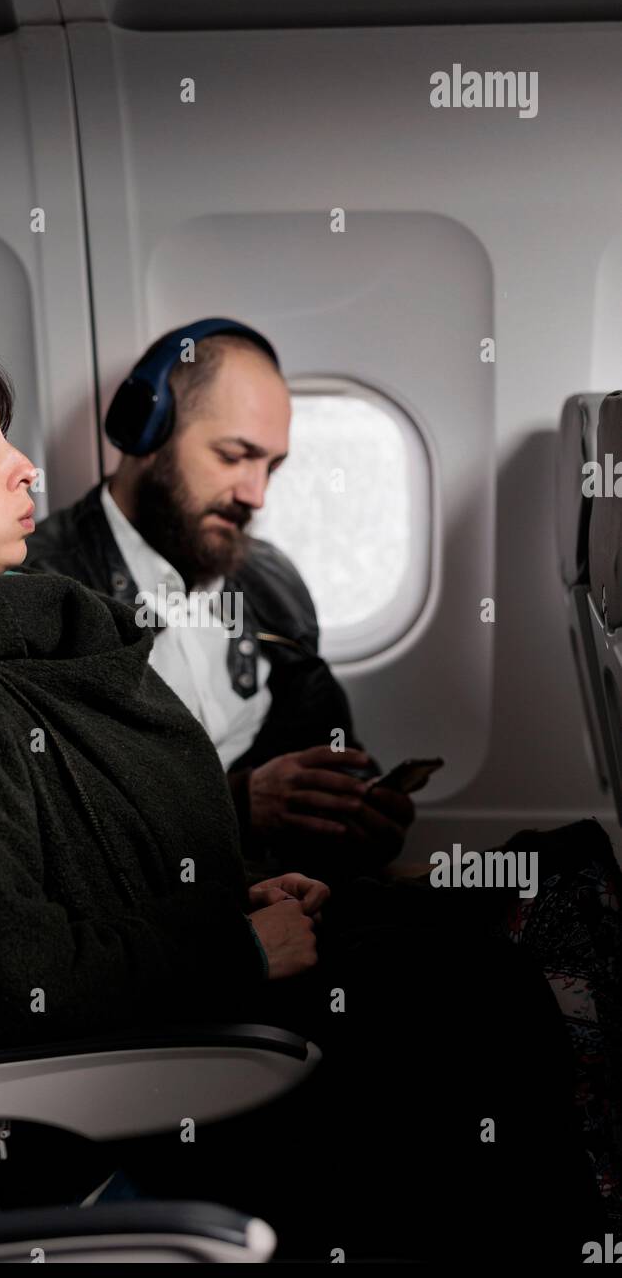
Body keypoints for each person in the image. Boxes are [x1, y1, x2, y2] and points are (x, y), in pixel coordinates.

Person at [0, 320, 617, 1261]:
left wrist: (241, 896)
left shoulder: (10, 632)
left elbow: (78, 857)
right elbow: (16, 983)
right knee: (466, 999)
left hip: (180, 994)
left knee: (471, 939)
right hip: (141, 1087)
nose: (24, 467)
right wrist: (235, 947)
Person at [22, 318, 414, 884]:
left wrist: (358, 818)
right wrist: (235, 808)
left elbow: (321, 754)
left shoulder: (271, 580)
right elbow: (50, 825)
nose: (256, 495)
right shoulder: (39, 590)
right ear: (147, 433)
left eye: (271, 467)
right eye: (234, 456)